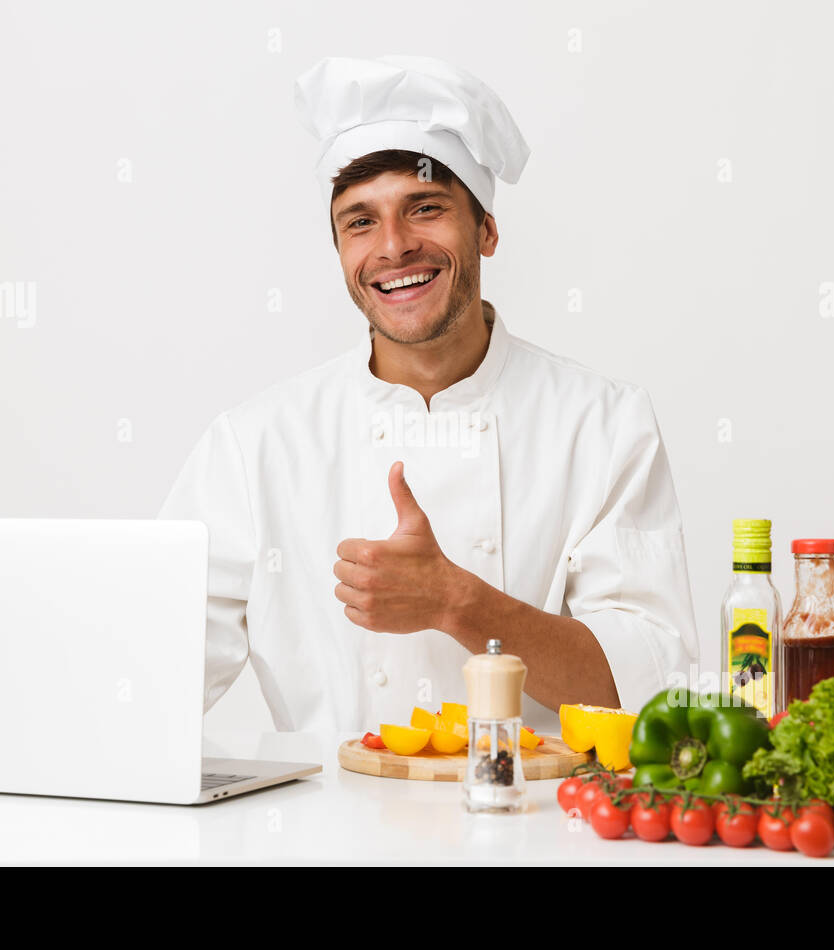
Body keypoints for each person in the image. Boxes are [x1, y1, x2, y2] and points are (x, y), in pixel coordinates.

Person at [158, 55, 698, 738]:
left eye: (425, 208)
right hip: (327, 809)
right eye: (360, 222)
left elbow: (654, 695)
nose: (393, 247)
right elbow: (150, 672)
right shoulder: (255, 445)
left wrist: (456, 602)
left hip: (536, 808)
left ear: (486, 230)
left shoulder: (603, 424)